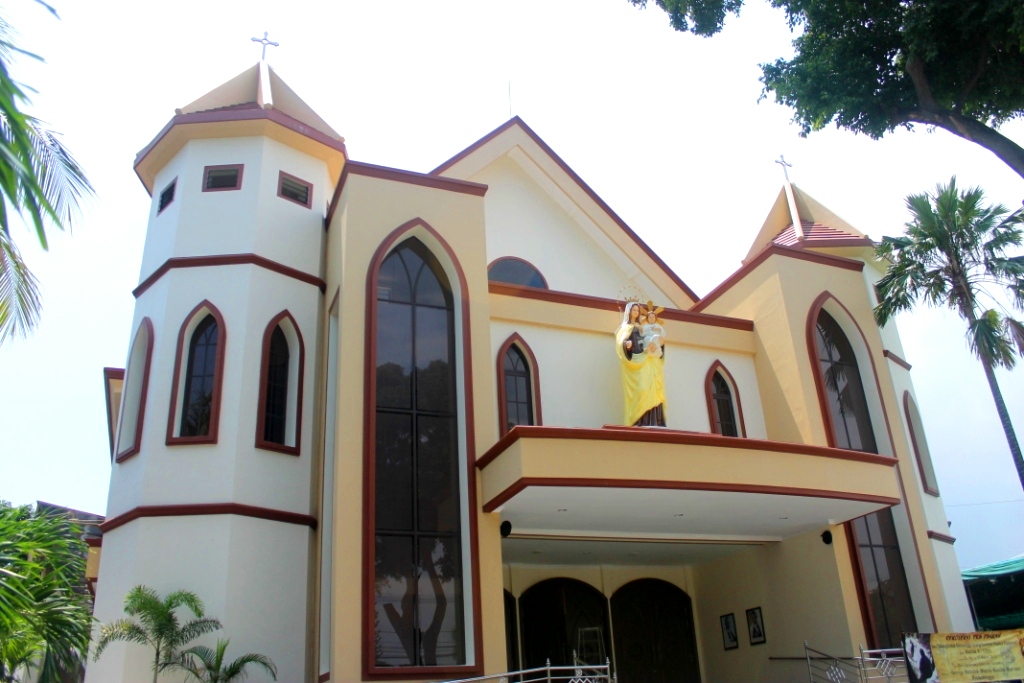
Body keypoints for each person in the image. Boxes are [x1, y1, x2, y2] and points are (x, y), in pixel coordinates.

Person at [614, 301, 666, 426]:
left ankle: (653, 421)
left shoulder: (642, 326)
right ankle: (639, 421)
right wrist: (627, 345)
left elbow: (651, 338)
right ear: (629, 312)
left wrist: (658, 343)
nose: (636, 312)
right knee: (641, 389)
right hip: (635, 362)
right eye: (634, 310)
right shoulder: (625, 328)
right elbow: (620, 342)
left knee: (651, 389)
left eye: (638, 310)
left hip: (647, 358)